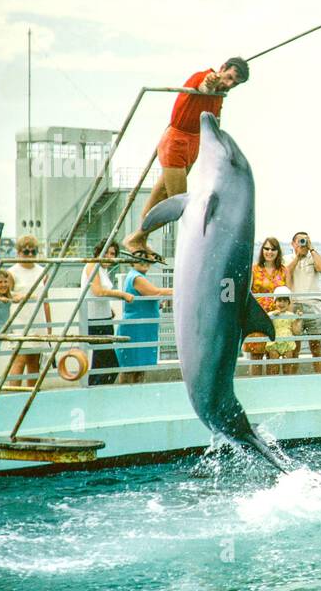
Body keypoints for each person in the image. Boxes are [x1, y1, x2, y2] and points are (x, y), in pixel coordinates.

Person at [124, 58, 249, 253]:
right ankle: (136, 238)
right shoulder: (203, 77)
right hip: (176, 142)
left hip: (194, 143)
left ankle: (140, 239)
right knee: (179, 203)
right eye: (229, 77)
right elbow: (205, 85)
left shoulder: (221, 95)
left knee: (162, 195)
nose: (230, 84)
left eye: (235, 83)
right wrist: (213, 80)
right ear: (222, 68)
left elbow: (215, 123)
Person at [115, 250, 172, 383]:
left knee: (139, 366)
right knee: (131, 367)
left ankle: (134, 395)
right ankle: (128, 395)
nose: (144, 262)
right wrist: (180, 289)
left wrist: (157, 306)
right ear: (132, 262)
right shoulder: (137, 278)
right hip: (136, 329)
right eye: (140, 259)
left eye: (147, 259)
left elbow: (144, 299)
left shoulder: (138, 276)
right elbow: (155, 292)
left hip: (143, 328)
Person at [82, 242, 134, 385]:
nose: (109, 257)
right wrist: (122, 294)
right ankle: (97, 390)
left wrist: (108, 308)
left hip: (103, 319)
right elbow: (98, 291)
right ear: (98, 252)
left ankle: (95, 391)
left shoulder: (102, 270)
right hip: (94, 321)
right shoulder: (92, 265)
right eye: (106, 253)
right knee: (111, 363)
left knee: (100, 363)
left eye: (112, 254)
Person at [7, 235, 53, 387]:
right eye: (26, 252)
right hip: (20, 320)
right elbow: (6, 296)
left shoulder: (42, 271)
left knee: (34, 361)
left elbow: (46, 301)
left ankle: (31, 395)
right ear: (19, 252)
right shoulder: (11, 272)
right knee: (19, 360)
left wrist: (49, 326)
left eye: (33, 252)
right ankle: (15, 395)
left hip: (38, 320)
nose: (30, 255)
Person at [287, 231, 321, 374]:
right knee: (294, 348)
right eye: (300, 241)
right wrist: (297, 257)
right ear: (293, 244)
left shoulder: (313, 257)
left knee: (316, 348)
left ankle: (319, 377)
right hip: (295, 305)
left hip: (314, 305)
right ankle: (292, 379)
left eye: (305, 240)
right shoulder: (287, 259)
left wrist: (311, 248)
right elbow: (286, 273)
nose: (302, 243)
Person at [246, 237, 288, 376]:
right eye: (267, 248)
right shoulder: (254, 269)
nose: (269, 252)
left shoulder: (283, 271)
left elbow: (289, 294)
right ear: (262, 250)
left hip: (276, 318)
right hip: (257, 316)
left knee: (273, 356)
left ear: (278, 252)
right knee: (256, 356)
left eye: (273, 249)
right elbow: (247, 293)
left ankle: (273, 390)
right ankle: (255, 387)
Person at [265, 285, 302, 375]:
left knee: (287, 368)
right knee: (274, 368)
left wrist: (298, 320)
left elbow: (296, 331)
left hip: (287, 343)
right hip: (274, 343)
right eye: (279, 300)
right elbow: (266, 327)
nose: (282, 304)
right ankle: (275, 383)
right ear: (275, 302)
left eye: (285, 301)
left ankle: (287, 383)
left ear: (289, 303)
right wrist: (272, 316)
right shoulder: (271, 314)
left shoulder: (290, 315)